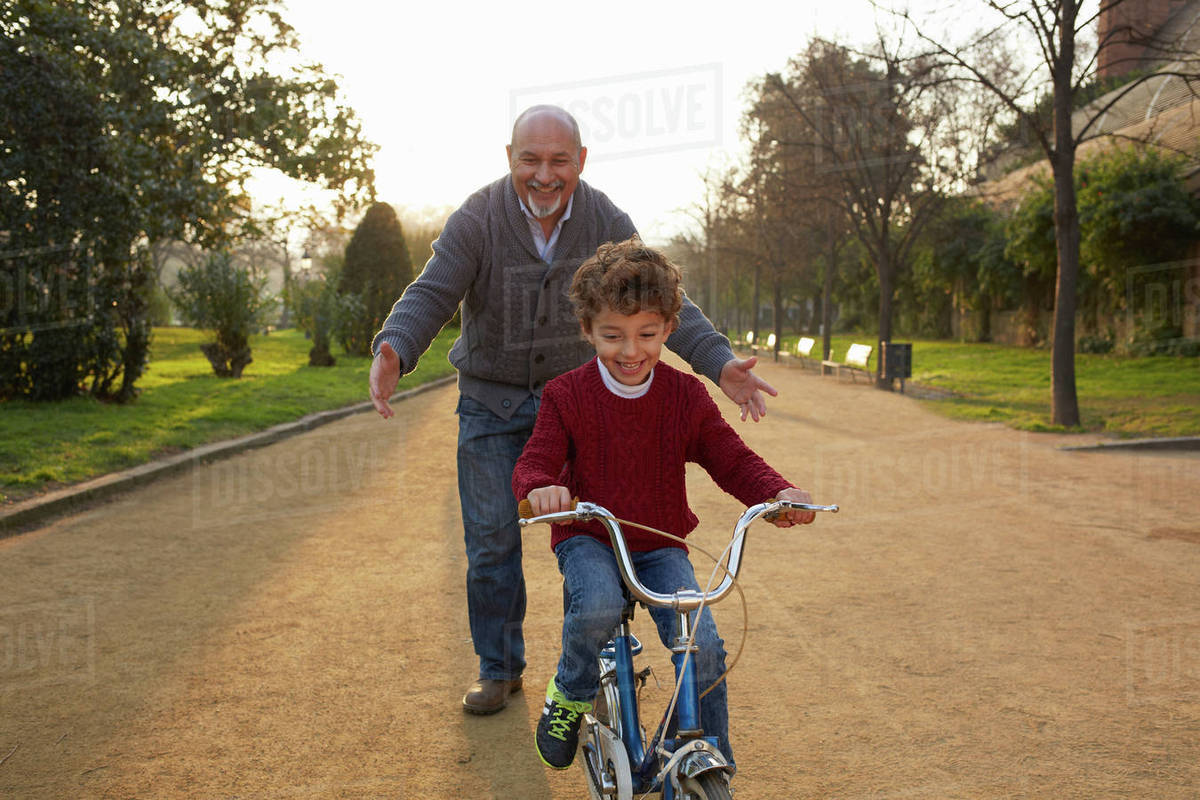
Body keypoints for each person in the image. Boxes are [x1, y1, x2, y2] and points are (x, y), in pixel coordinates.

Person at [369, 105, 778, 716]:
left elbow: (658, 294)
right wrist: (395, 346)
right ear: (510, 158)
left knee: (594, 534)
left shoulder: (603, 218)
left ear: (580, 162)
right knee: (491, 544)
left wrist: (718, 363)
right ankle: (499, 668)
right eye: (530, 159)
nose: (543, 175)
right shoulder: (479, 216)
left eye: (559, 160)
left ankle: (594, 660)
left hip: (575, 408)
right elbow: (435, 286)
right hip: (490, 402)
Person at [512, 237, 817, 771]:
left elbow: (732, 460)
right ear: (588, 331)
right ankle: (569, 694)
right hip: (591, 538)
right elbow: (534, 461)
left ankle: (705, 756)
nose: (631, 351)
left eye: (647, 335)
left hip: (660, 545)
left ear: (669, 330)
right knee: (599, 606)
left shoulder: (686, 397)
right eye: (612, 336)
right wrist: (539, 488)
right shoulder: (566, 395)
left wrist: (777, 492)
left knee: (704, 649)